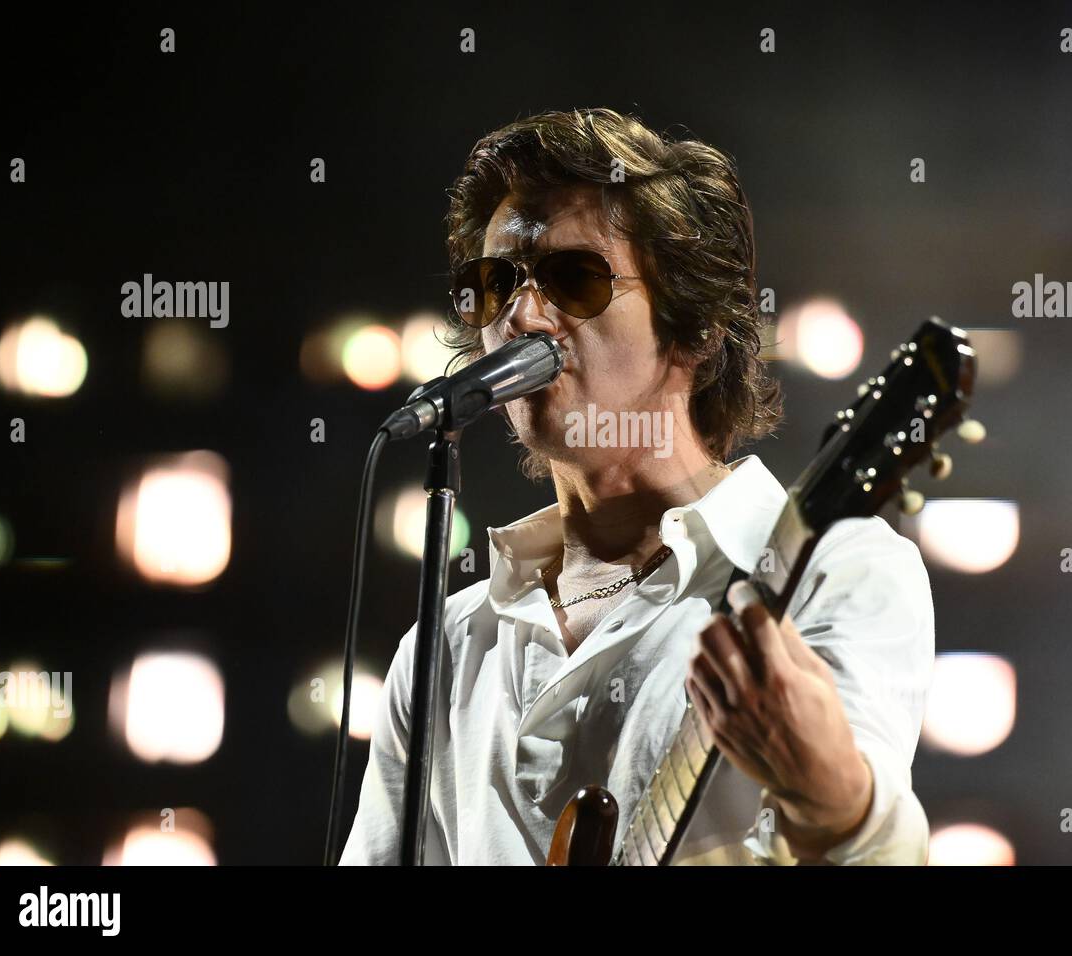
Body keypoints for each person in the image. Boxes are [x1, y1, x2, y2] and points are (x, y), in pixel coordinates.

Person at [340, 108, 934, 865]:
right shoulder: (449, 643)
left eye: (572, 278)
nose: (521, 315)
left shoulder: (831, 568)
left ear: (694, 326)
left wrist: (838, 799)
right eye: (493, 284)